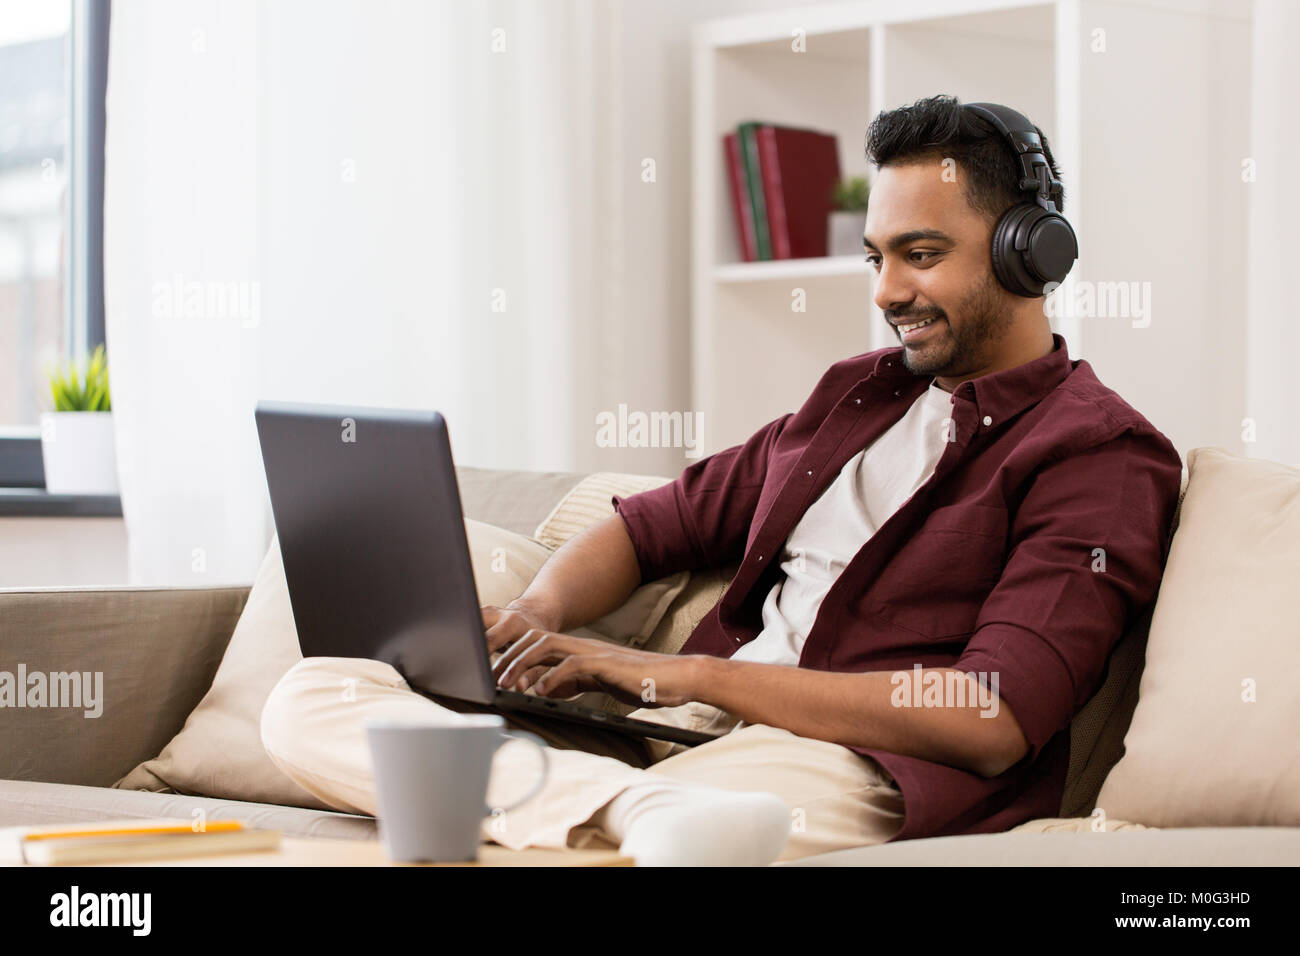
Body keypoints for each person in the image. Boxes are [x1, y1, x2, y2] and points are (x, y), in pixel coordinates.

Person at [260, 94, 1183, 866]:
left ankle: (603, 812)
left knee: (693, 811)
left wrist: (674, 674)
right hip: (688, 742)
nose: (885, 291)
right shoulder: (855, 397)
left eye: (922, 255)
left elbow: (990, 715)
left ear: (1033, 252)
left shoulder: (1098, 454)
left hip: (854, 765)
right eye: (876, 257)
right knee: (316, 696)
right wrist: (539, 613)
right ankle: (628, 814)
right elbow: (652, 525)